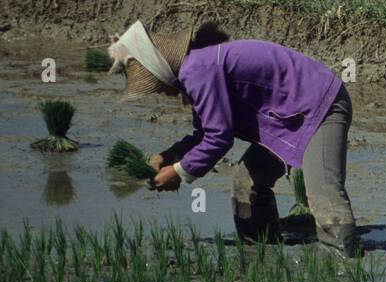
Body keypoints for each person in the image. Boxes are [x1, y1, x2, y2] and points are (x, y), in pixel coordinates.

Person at [106, 19, 360, 258]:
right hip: (287, 117)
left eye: (158, 86)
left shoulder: (197, 70)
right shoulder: (197, 66)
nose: (162, 93)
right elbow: (205, 133)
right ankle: (262, 257)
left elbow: (219, 138)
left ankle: (344, 264)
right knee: (246, 184)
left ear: (162, 72)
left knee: (324, 191)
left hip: (321, 105)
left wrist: (179, 172)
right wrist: (169, 156)